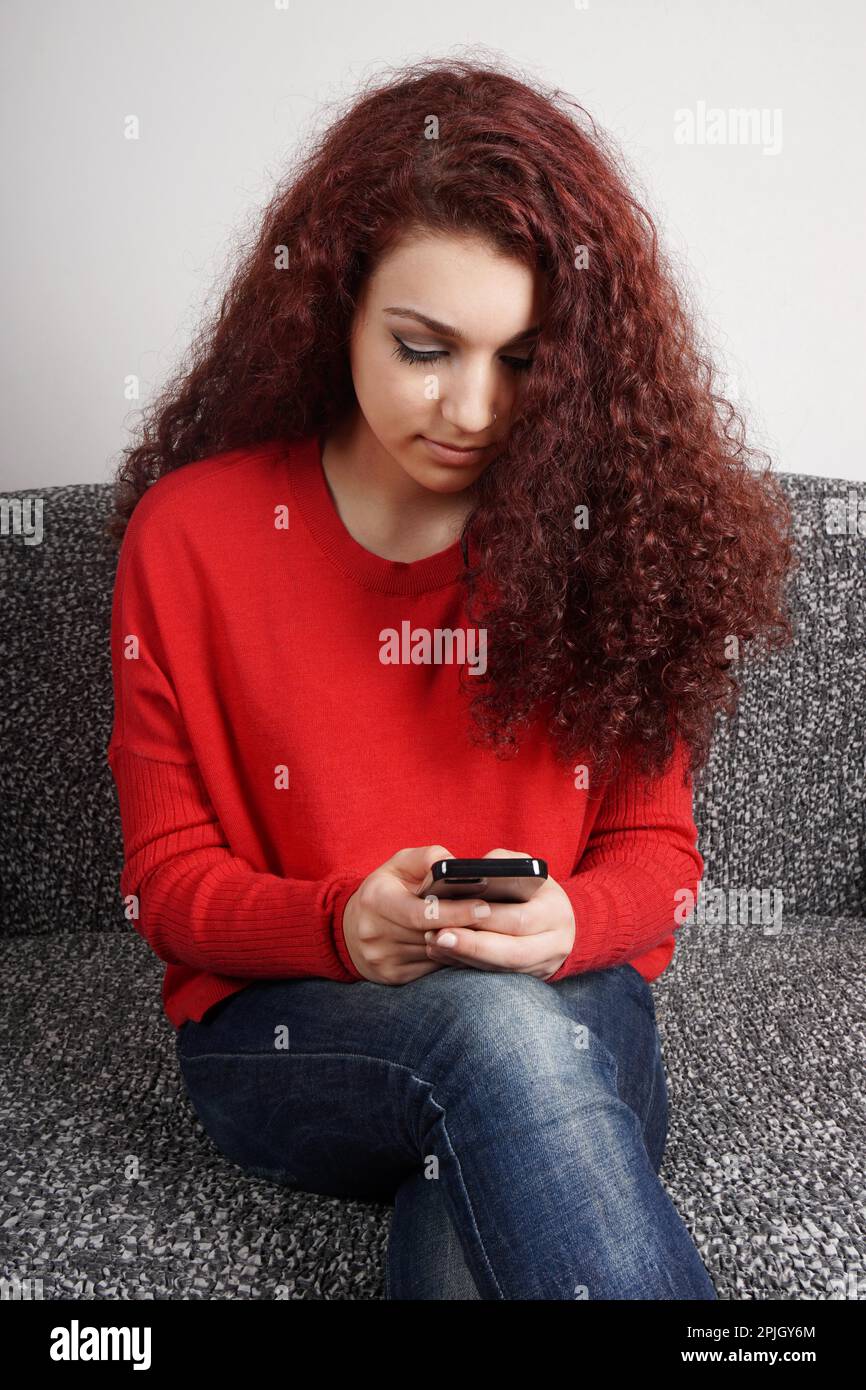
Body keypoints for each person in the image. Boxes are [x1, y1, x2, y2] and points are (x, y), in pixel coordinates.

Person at [105, 57, 795, 1299]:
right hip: (291, 1035)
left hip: (570, 1010)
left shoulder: (614, 533)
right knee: (496, 1036)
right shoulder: (190, 536)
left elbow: (657, 851)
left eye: (522, 362)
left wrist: (570, 923)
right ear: (334, 307)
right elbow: (166, 883)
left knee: (487, 1136)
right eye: (423, 348)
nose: (471, 409)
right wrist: (336, 924)